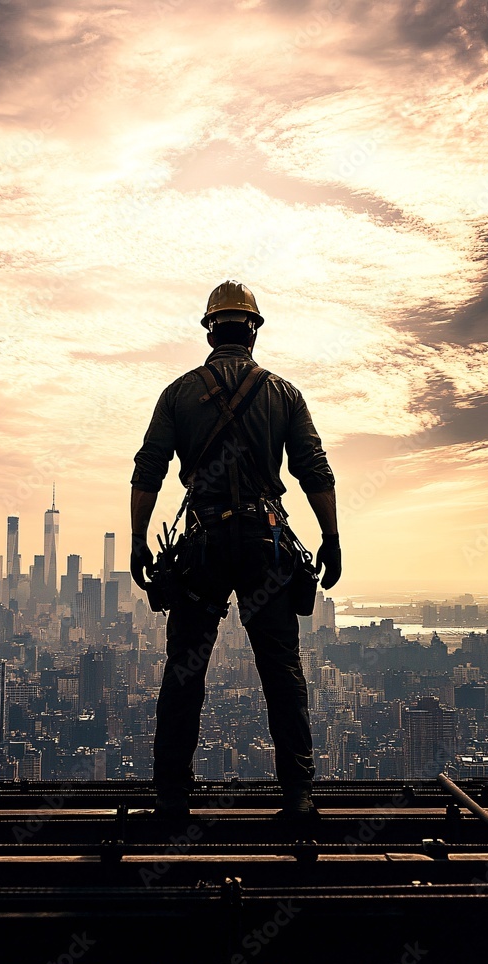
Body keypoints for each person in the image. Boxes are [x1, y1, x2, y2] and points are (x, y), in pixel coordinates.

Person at [130, 280, 341, 821]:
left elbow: (148, 470)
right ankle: (298, 795)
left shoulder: (178, 394)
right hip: (264, 542)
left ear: (209, 330)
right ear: (254, 331)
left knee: (185, 669)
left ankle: (172, 798)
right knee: (281, 670)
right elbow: (314, 470)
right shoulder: (284, 394)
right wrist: (331, 538)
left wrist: (137, 541)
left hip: (202, 543)